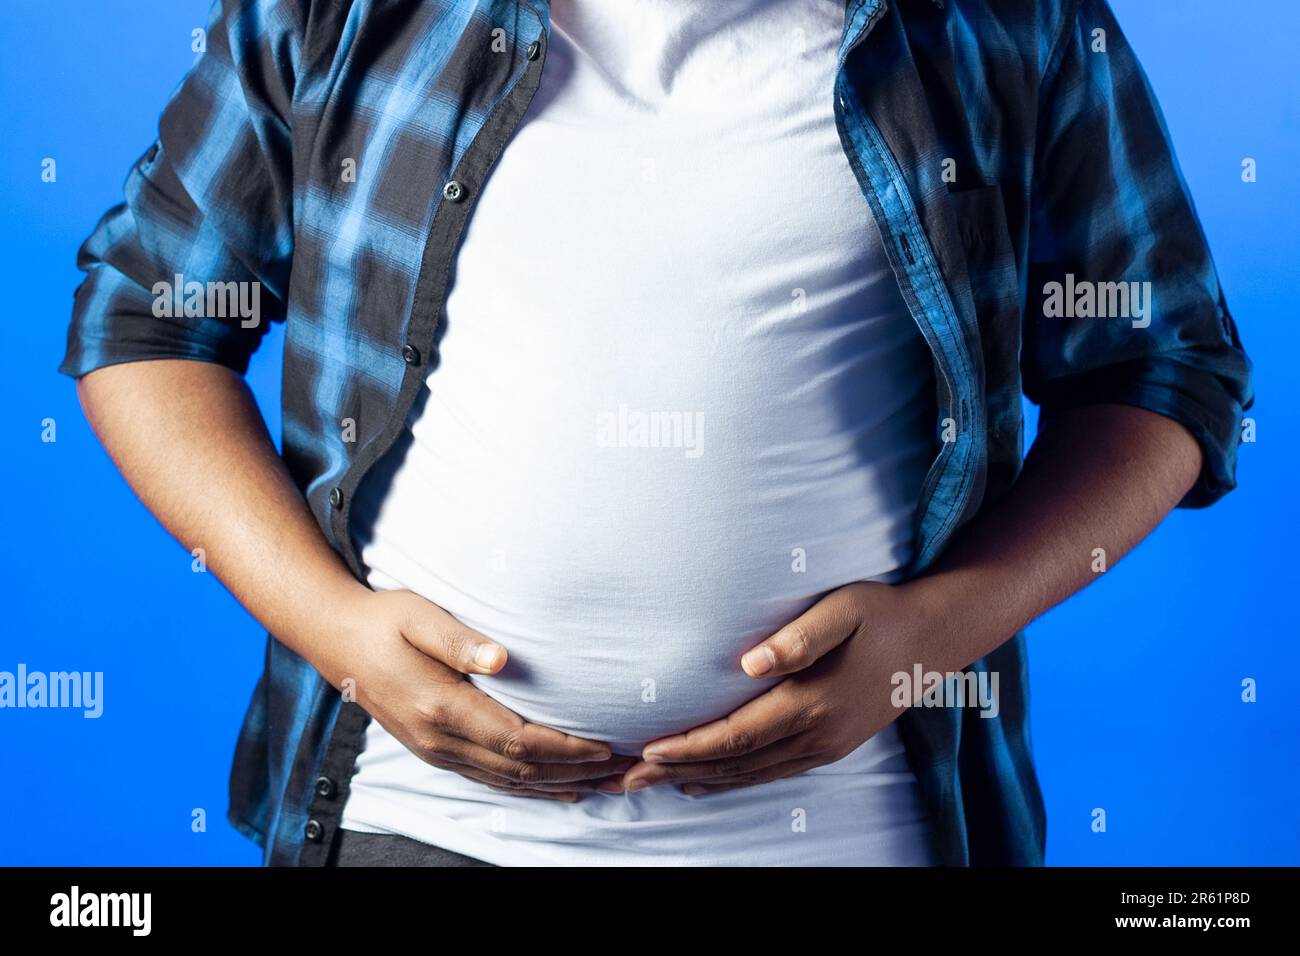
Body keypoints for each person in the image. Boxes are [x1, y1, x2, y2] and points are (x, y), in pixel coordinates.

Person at [62, 0, 1252, 866]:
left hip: (863, 838)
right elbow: (148, 320)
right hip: (409, 827)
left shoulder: (1005, 21)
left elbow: (1163, 367)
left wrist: (936, 632)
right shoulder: (338, 11)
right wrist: (339, 635)